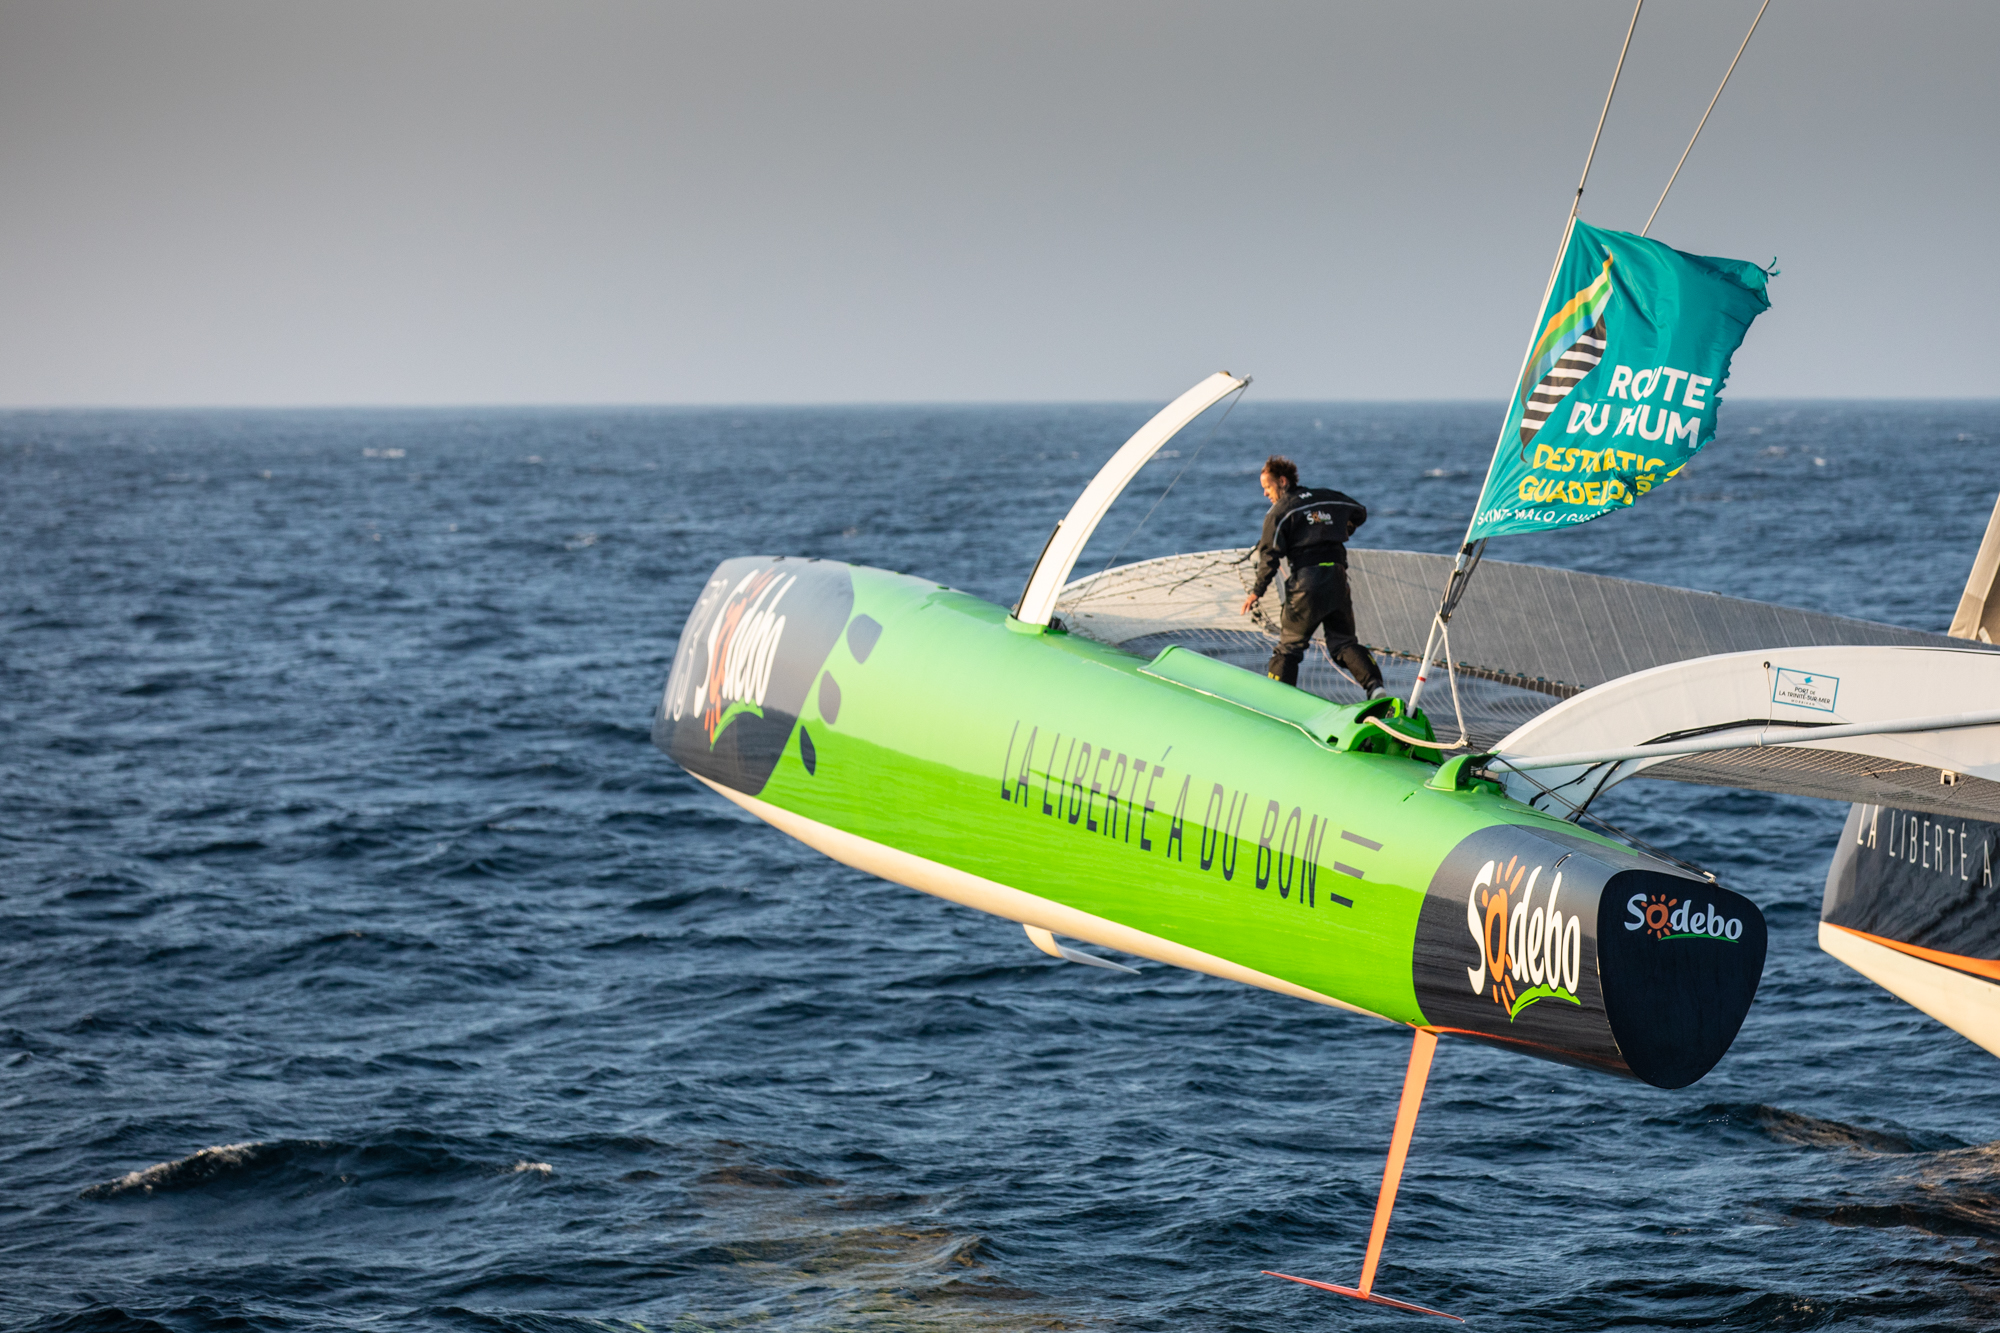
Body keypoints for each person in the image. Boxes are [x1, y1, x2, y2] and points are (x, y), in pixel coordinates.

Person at [1237, 455, 1386, 697]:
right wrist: (1339, 529)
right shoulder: (1327, 496)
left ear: (1282, 481)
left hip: (1307, 584)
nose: (1265, 494)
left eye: (1267, 487)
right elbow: (1359, 512)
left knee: (1288, 649)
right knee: (1344, 643)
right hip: (1337, 579)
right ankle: (1376, 688)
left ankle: (1275, 701)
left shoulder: (1280, 512)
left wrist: (1257, 591)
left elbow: (1269, 556)